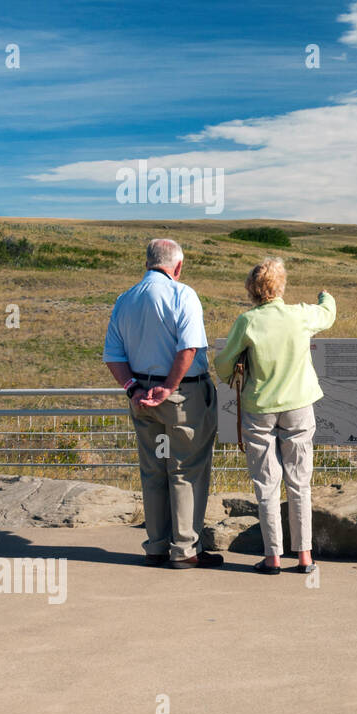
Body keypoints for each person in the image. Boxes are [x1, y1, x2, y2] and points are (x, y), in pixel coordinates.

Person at [103, 238, 222, 569]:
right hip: (183, 396)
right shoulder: (183, 295)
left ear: (147, 263)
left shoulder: (125, 299)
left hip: (142, 396)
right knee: (186, 469)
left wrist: (133, 388)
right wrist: (169, 387)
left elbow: (112, 355)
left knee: (154, 470)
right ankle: (185, 549)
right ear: (178, 266)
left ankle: (155, 545)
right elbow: (188, 348)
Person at [214, 257, 335, 575]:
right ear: (280, 286)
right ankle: (305, 556)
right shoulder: (299, 315)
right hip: (298, 406)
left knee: (266, 484)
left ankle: (272, 558)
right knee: (299, 482)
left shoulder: (247, 321)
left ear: (252, 290)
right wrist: (326, 296)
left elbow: (224, 364)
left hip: (259, 409)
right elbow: (327, 314)